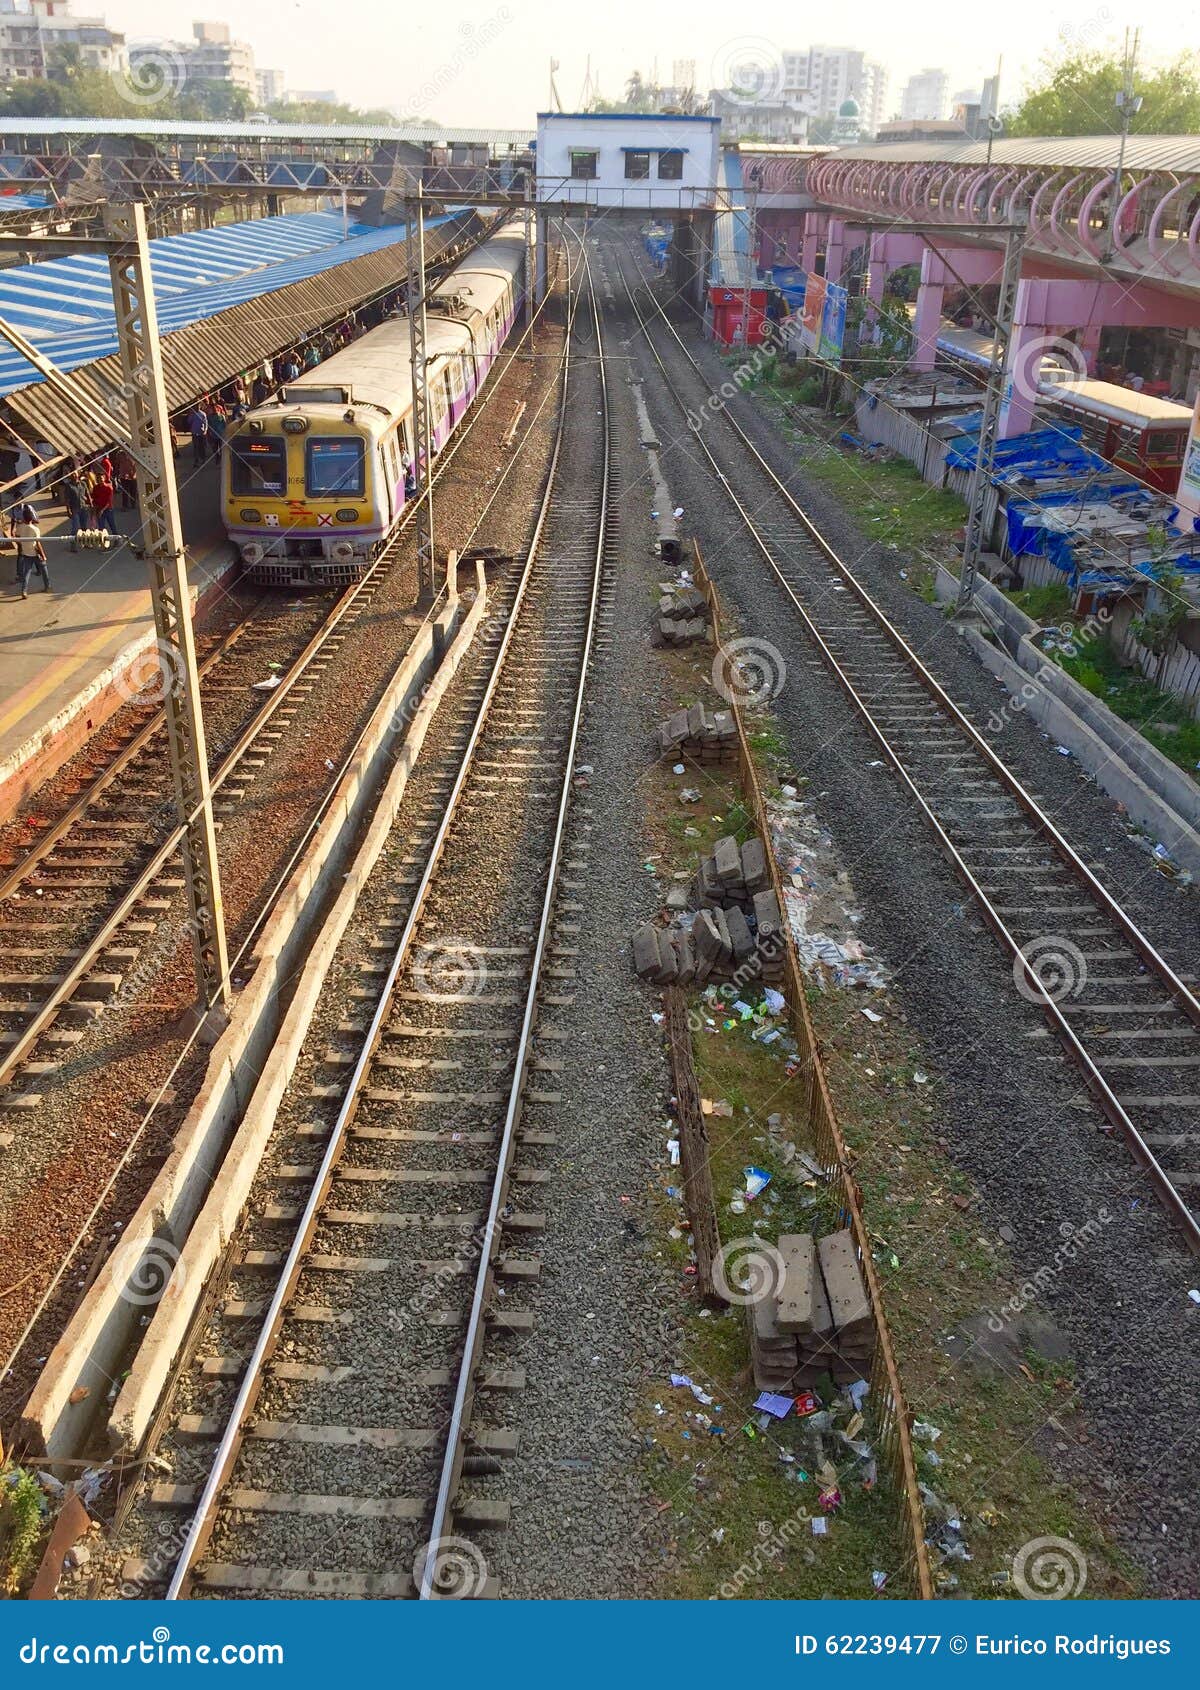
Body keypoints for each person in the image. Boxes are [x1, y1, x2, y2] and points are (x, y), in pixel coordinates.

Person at [11, 504, 49, 598]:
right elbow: (38, 544)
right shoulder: (35, 529)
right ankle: (47, 586)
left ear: (23, 518)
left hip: (26, 553)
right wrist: (43, 555)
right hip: (35, 552)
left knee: (27, 573)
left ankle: (24, 591)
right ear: (32, 519)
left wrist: (22, 545)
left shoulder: (20, 528)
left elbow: (17, 537)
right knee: (44, 568)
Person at [59, 469, 88, 549]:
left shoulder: (83, 483)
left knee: (84, 527)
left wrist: (90, 504)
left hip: (83, 507)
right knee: (75, 527)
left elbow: (87, 494)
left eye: (75, 474)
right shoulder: (69, 486)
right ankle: (73, 545)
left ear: (78, 474)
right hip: (74, 508)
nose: (73, 476)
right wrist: (68, 510)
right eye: (72, 475)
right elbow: (67, 499)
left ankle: (85, 542)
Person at [90, 466, 117, 535]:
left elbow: (109, 501)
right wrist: (94, 509)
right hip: (99, 509)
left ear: (104, 478)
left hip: (108, 509)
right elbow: (93, 498)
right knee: (101, 527)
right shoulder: (96, 488)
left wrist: (102, 510)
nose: (100, 480)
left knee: (112, 525)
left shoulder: (109, 488)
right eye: (98, 478)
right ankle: (103, 541)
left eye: (101, 478)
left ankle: (116, 539)